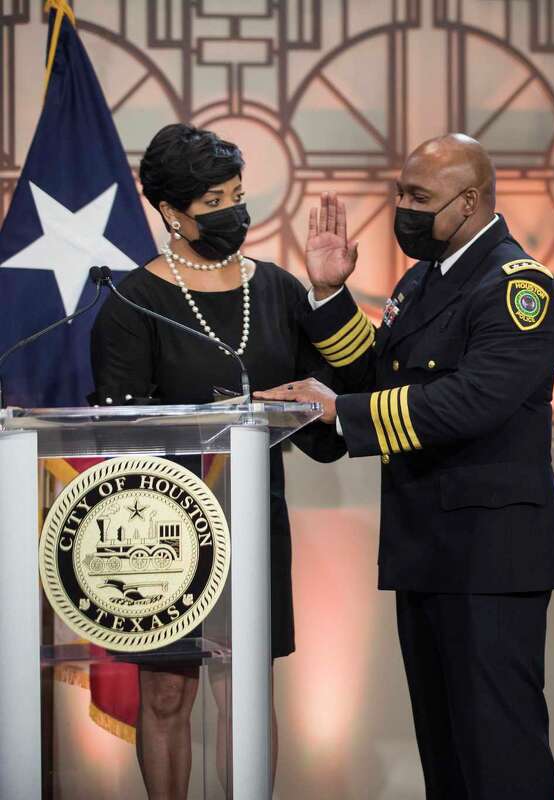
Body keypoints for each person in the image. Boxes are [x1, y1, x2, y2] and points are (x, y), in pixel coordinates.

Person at [257, 133, 554, 799]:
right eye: (401, 192)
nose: (402, 207)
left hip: (490, 554)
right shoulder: (426, 278)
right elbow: (383, 373)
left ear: (470, 201)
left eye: (419, 198)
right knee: (446, 749)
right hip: (426, 543)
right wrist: (329, 294)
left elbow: (470, 402)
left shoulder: (519, 288)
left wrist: (339, 412)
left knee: (498, 750)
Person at [89, 123, 344, 799]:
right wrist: (227, 409)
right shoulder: (130, 302)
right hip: (162, 531)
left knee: (246, 695)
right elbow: (125, 437)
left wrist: (329, 298)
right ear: (172, 213)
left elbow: (326, 420)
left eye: (236, 194)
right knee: (169, 697)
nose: (233, 212)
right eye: (213, 202)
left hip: (255, 519)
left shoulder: (283, 290)